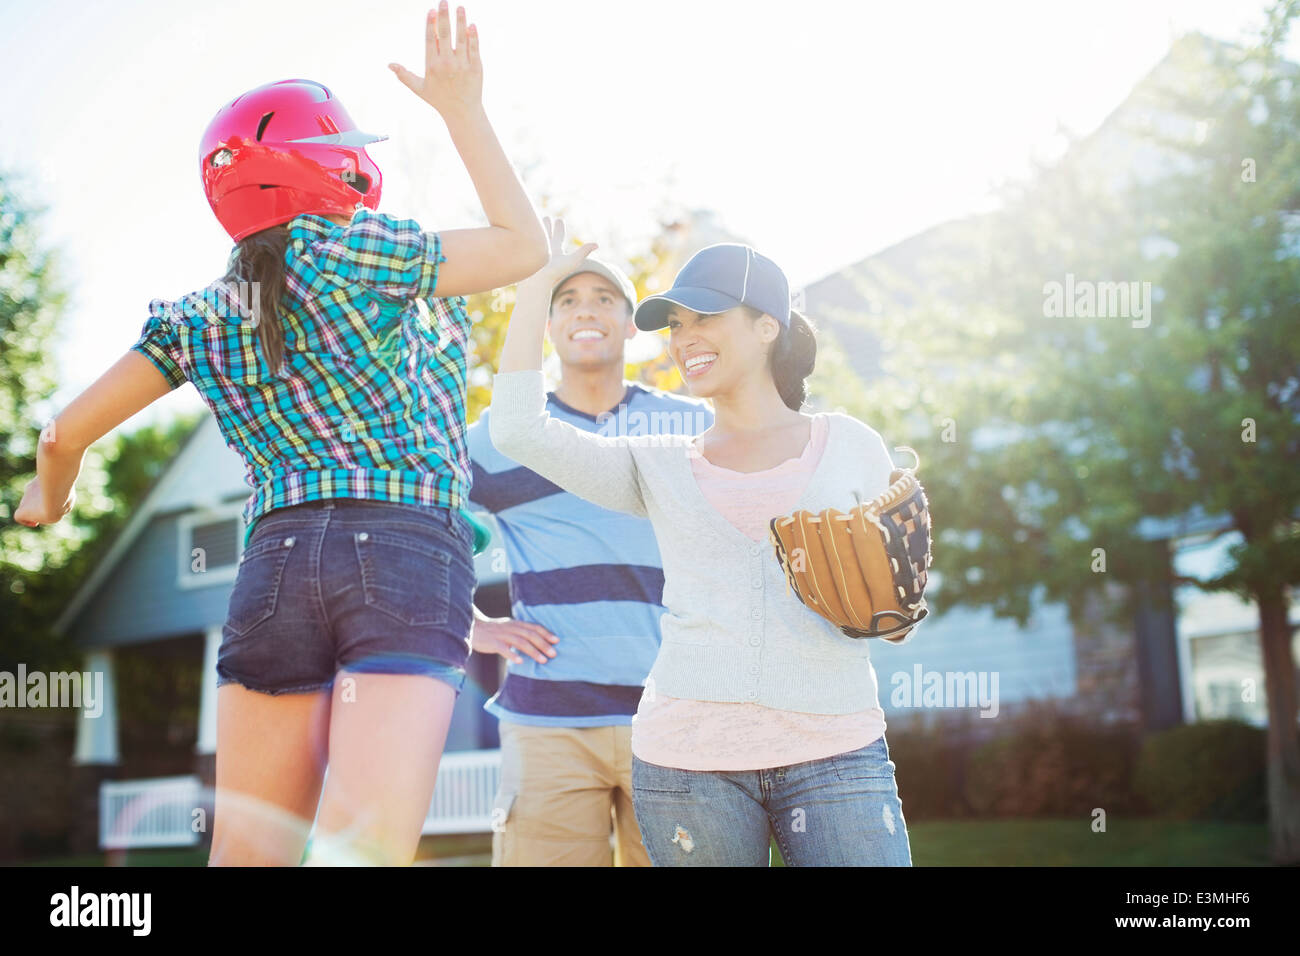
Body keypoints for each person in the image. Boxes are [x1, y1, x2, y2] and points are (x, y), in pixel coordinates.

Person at [15, 3, 547, 866]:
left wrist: (53, 497)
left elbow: (62, 433)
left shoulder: (200, 314)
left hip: (272, 567)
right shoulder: (357, 252)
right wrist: (462, 111)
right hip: (408, 551)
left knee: (245, 856)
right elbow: (522, 245)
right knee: (361, 850)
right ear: (332, 169)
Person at [488, 222, 916, 866]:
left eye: (705, 318)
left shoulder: (851, 445)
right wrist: (536, 287)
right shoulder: (658, 463)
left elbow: (891, 604)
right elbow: (519, 429)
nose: (685, 339)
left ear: (767, 325)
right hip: (689, 766)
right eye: (675, 325)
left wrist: (892, 613)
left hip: (836, 749)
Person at [467, 248, 711, 866]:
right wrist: (467, 624)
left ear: (631, 325)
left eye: (604, 299)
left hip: (677, 715)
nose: (586, 311)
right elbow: (416, 522)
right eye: (566, 300)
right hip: (547, 722)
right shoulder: (501, 437)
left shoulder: (692, 425)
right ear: (546, 327)